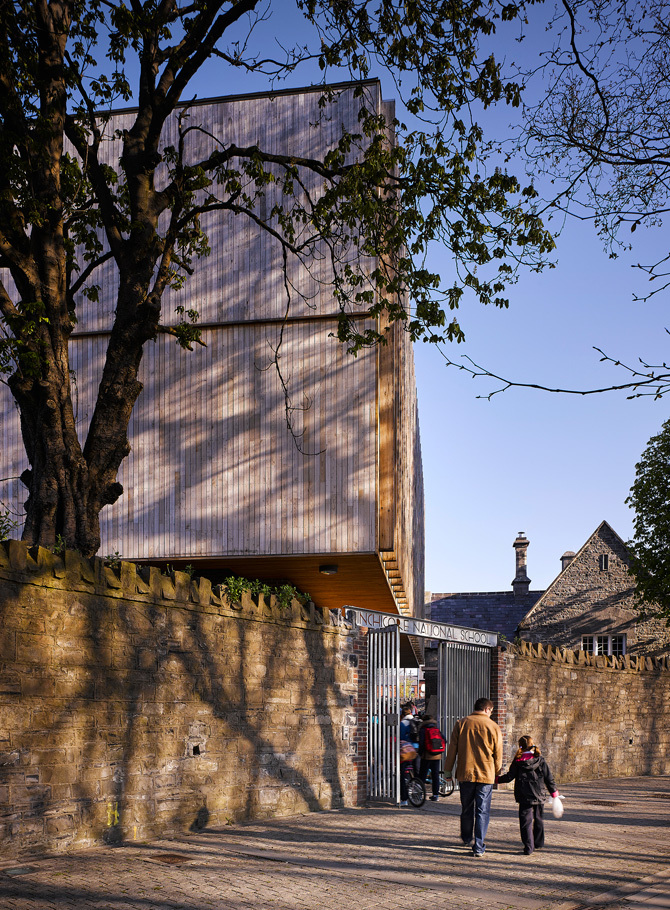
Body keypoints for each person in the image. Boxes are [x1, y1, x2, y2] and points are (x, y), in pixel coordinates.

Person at [443, 697, 503, 857]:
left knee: (467, 808)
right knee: (482, 810)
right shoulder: (493, 726)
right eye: (491, 711)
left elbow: (452, 750)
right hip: (486, 774)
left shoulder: (461, 724)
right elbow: (498, 754)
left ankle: (466, 837)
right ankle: (478, 846)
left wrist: (448, 771)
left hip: (465, 773)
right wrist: (497, 772)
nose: (491, 714)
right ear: (487, 709)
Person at [498, 734, 559, 855]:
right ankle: (539, 843)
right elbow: (548, 778)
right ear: (532, 744)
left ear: (520, 746)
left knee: (526, 822)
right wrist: (554, 792)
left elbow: (509, 777)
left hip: (524, 795)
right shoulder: (540, 760)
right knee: (539, 818)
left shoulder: (518, 761)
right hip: (539, 794)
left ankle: (528, 847)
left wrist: (496, 779)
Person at [418, 714, 446, 801]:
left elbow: (421, 743)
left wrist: (420, 753)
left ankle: (420, 795)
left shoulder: (423, 729)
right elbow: (444, 740)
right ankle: (436, 795)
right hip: (437, 756)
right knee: (435, 775)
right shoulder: (436, 729)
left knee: (422, 775)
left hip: (427, 756)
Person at [399, 703, 420, 806]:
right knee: (417, 772)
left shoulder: (403, 723)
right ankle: (419, 793)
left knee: (403, 774)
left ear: (402, 714)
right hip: (417, 749)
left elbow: (401, 737)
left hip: (407, 751)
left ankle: (404, 799)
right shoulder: (417, 721)